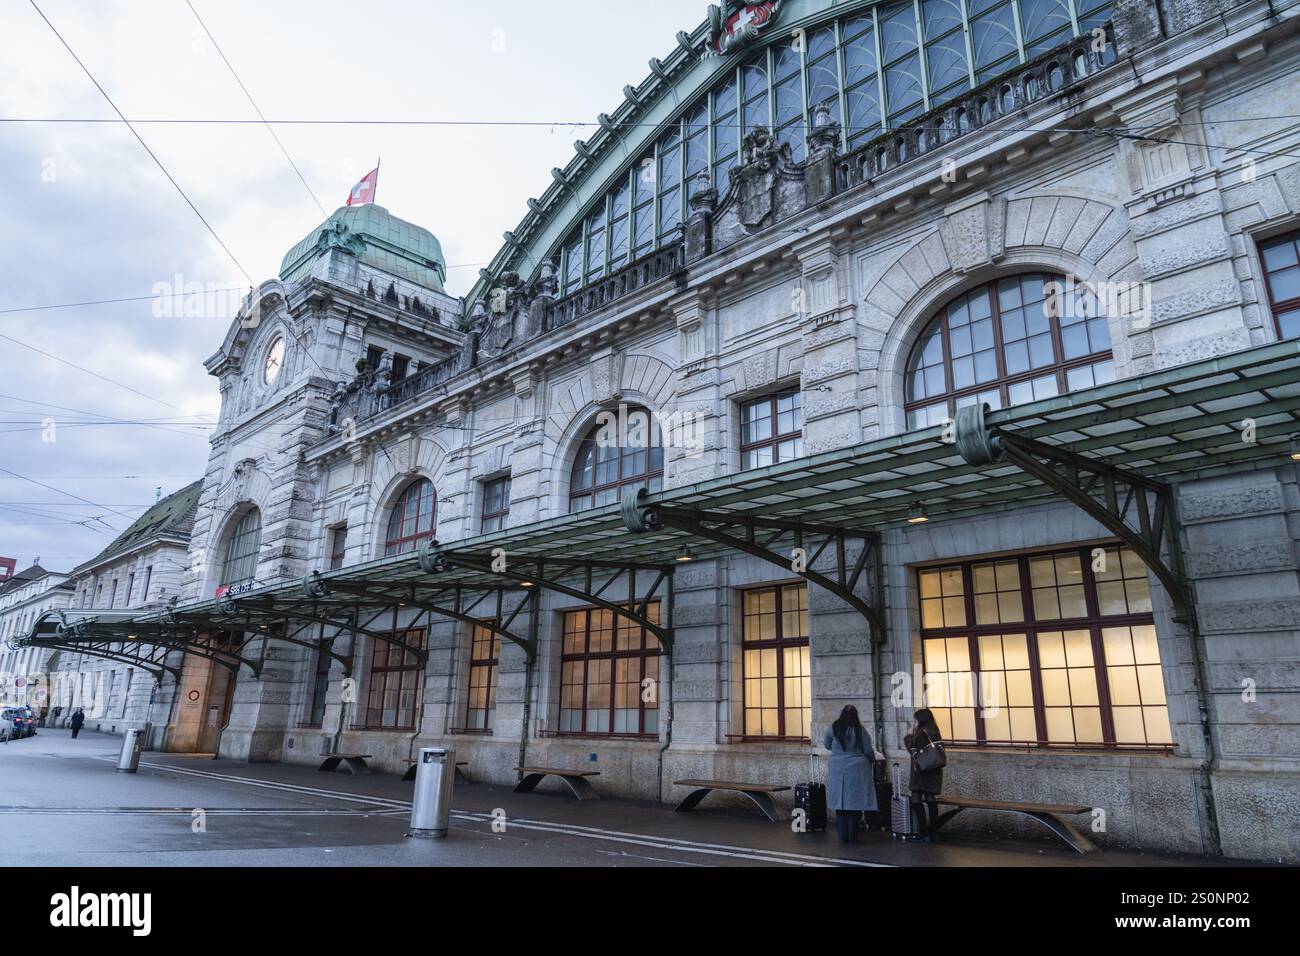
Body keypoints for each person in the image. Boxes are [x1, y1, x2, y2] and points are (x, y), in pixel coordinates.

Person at [823, 704, 877, 844]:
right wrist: (872, 760)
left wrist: (838, 751)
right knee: (855, 803)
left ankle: (842, 836)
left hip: (837, 768)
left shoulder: (833, 728)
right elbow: (868, 751)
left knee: (840, 804)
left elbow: (827, 744)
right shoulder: (860, 730)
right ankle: (853, 836)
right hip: (857, 769)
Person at [904, 708, 944, 843]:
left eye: (916, 719)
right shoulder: (934, 730)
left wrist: (909, 737)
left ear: (920, 720)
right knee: (931, 799)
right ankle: (934, 833)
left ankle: (924, 833)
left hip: (921, 772)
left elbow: (914, 751)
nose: (914, 722)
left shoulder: (921, 732)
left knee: (916, 800)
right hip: (934, 771)